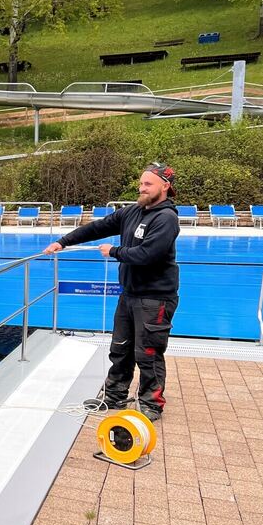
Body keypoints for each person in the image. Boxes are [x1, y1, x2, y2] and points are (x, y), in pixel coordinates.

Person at [43, 163, 180, 420]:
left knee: (148, 353)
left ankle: (151, 404)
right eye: (141, 183)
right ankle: (115, 396)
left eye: (148, 184)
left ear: (165, 186)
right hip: (129, 294)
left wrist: (114, 251)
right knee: (121, 348)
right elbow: (97, 228)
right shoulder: (132, 212)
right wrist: (63, 241)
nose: (142, 187)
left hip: (155, 297)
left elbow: (149, 254)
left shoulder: (166, 218)